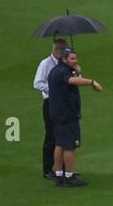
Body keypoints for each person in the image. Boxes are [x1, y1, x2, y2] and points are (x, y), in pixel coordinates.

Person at [46, 46, 104, 188]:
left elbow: (71, 79)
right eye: (72, 58)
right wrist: (91, 82)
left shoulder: (56, 70)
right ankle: (69, 177)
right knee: (70, 146)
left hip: (57, 113)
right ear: (63, 58)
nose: (75, 60)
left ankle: (59, 175)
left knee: (59, 144)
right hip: (67, 114)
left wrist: (77, 71)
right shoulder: (63, 72)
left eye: (75, 58)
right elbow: (71, 81)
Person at [32, 38, 69, 180]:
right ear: (56, 50)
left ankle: (66, 168)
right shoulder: (45, 64)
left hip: (64, 103)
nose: (65, 53)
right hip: (51, 103)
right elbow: (37, 83)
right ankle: (47, 169)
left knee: (65, 134)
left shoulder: (65, 63)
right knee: (51, 136)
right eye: (63, 50)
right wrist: (53, 90)